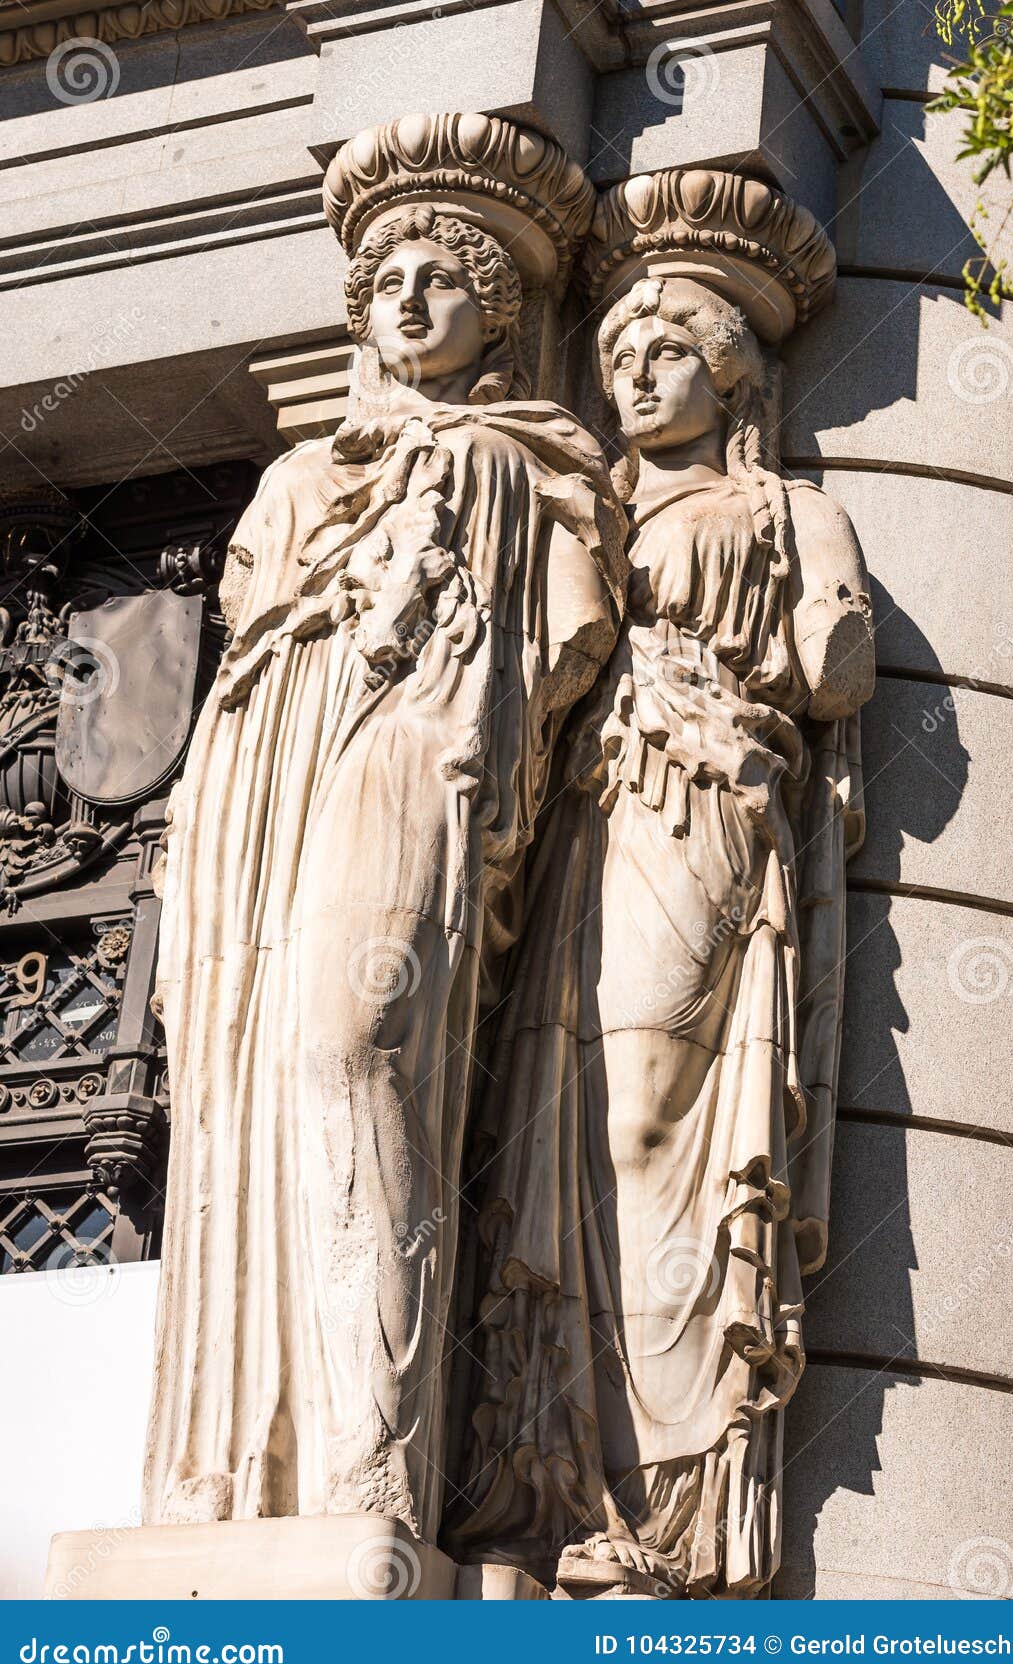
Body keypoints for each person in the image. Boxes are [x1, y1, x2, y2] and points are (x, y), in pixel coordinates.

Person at [143, 204, 625, 1544]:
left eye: (440, 281)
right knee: (246, 1093)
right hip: (271, 768)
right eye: (387, 285)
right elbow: (250, 631)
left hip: (425, 746)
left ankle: (383, 1464)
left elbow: (570, 640)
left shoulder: (526, 457)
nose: (409, 301)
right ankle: (261, 1463)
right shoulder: (299, 476)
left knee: (355, 1050)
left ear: (498, 313)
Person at [453, 276, 874, 1597]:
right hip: (588, 806)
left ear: (731, 375)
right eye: (621, 354)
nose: (637, 375)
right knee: (555, 1120)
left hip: (705, 800)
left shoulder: (792, 510)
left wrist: (829, 626)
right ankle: (561, 1472)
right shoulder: (596, 496)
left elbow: (831, 673)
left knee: (647, 1117)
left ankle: (675, 1490)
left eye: (668, 353)